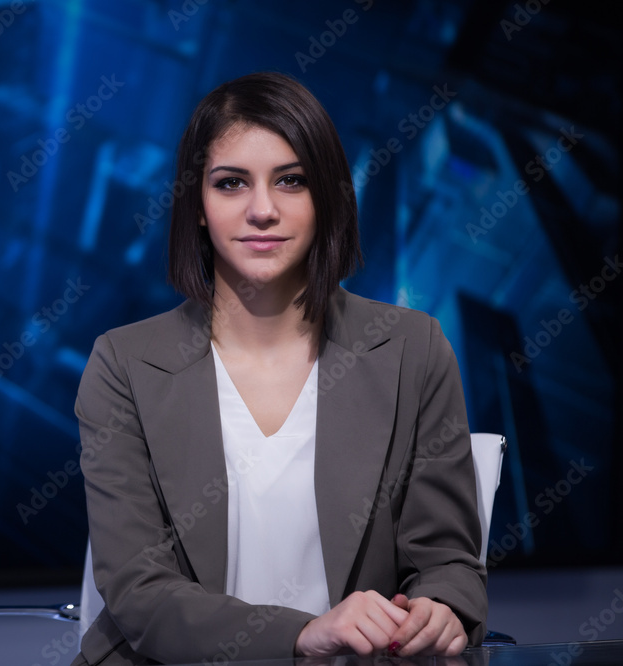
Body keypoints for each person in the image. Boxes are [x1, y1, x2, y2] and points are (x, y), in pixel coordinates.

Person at [72, 71, 486, 665]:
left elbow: (448, 563)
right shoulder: (123, 364)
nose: (262, 210)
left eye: (291, 180)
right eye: (231, 183)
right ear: (198, 206)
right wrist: (301, 634)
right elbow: (139, 594)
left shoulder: (413, 349)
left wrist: (440, 608)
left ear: (326, 198)